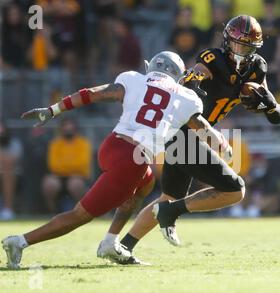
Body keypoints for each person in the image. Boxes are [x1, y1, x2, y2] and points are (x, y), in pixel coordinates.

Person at [2, 51, 242, 269]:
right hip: (131, 159)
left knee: (146, 182)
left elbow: (92, 94)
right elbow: (202, 129)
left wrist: (53, 110)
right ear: (177, 75)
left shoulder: (133, 78)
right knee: (79, 216)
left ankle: (111, 242)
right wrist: (222, 144)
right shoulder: (188, 97)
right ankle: (20, 242)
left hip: (113, 146)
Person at [113, 15, 280, 258]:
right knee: (235, 190)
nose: (241, 51)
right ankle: (171, 212)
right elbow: (196, 73)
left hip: (186, 134)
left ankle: (123, 246)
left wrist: (270, 105)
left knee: (169, 196)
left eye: (247, 47)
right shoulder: (213, 58)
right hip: (185, 130)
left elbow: (276, 117)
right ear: (227, 41)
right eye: (238, 45)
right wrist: (194, 82)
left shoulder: (257, 68)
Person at [42, 118, 92, 213]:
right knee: (49, 184)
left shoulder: (83, 143)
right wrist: (70, 164)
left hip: (79, 176)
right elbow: (53, 165)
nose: (68, 130)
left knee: (75, 184)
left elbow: (82, 164)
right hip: (58, 176)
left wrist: (64, 164)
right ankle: (53, 212)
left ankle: (79, 212)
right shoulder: (55, 144)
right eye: (65, 127)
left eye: (70, 128)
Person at [0, 123, 23, 220]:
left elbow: (11, 161)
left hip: (12, 175)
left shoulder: (14, 143)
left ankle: (8, 209)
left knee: (7, 172)